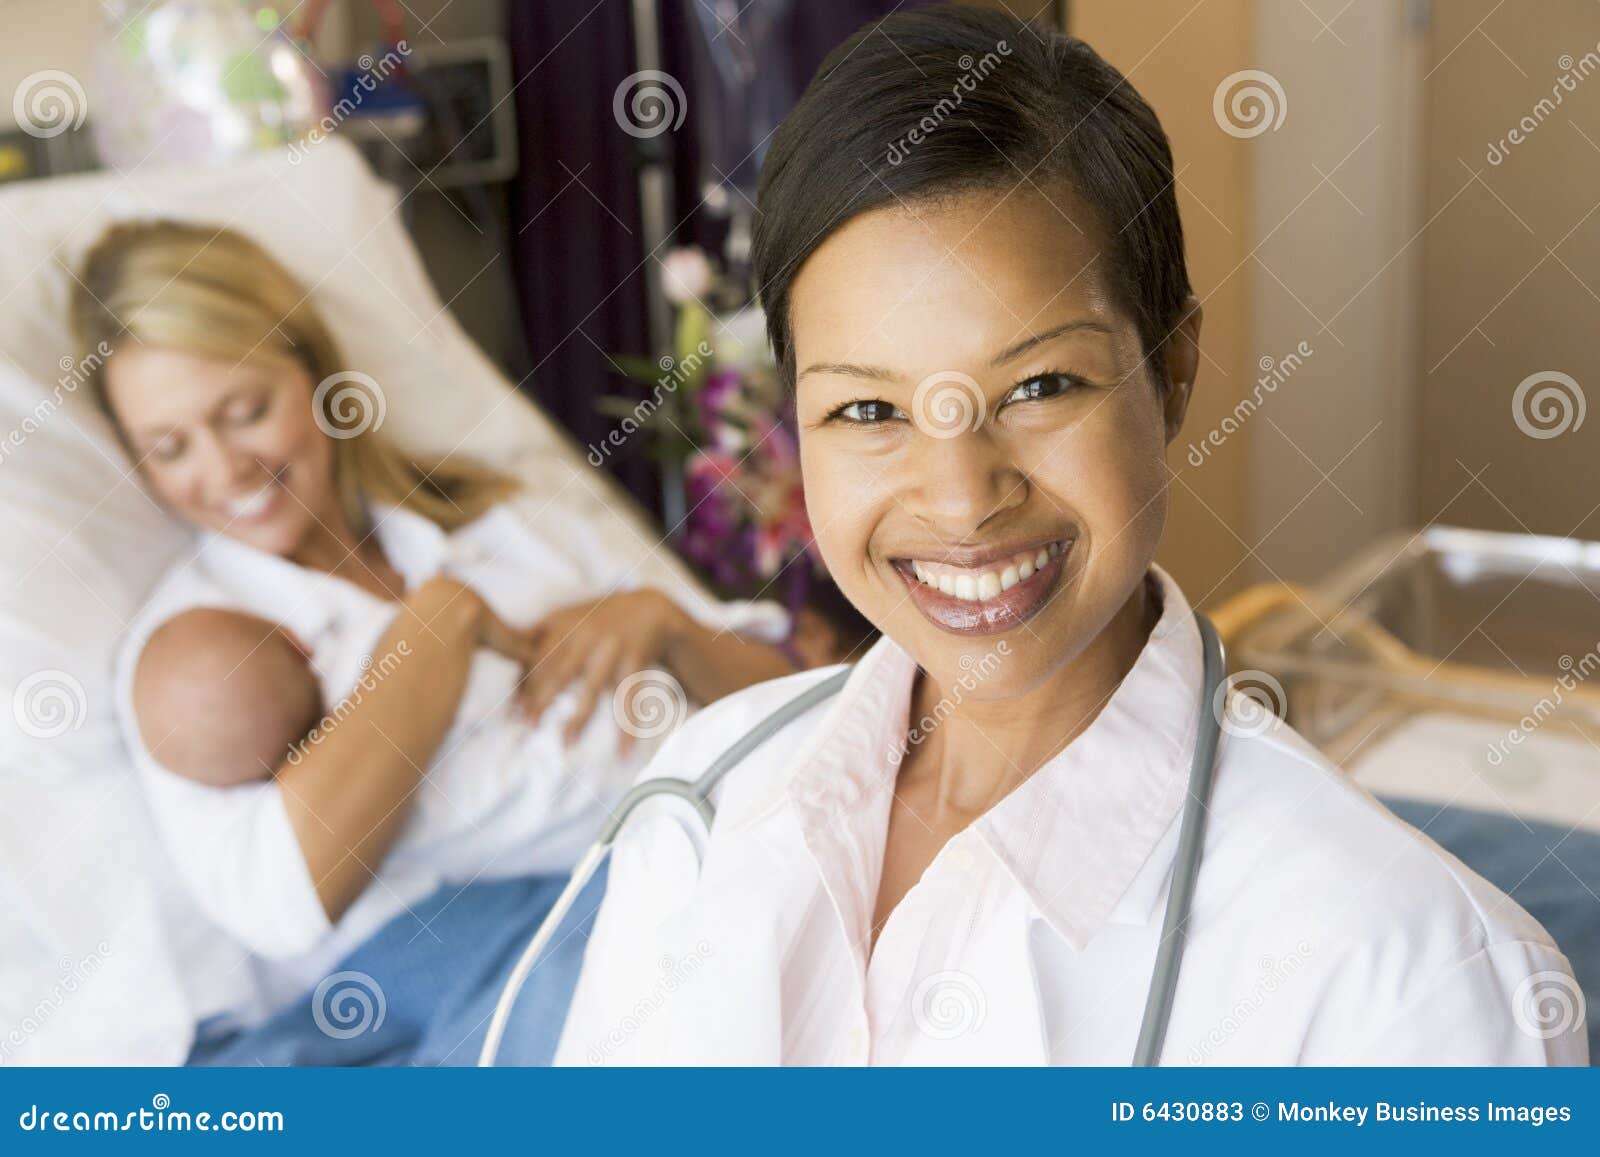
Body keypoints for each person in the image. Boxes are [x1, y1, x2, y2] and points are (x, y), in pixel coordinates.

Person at [552, 5, 1588, 1065]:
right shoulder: (701, 799)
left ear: (1173, 372)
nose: (959, 499)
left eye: (1041, 385)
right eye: (868, 410)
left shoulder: (1416, 985)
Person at [71, 220, 813, 1034]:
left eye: (245, 410)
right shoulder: (196, 656)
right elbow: (279, 904)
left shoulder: (504, 520)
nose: (223, 470)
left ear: (314, 371)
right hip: (500, 964)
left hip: (730, 860)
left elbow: (803, 719)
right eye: (170, 448)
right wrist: (436, 629)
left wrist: (664, 624)